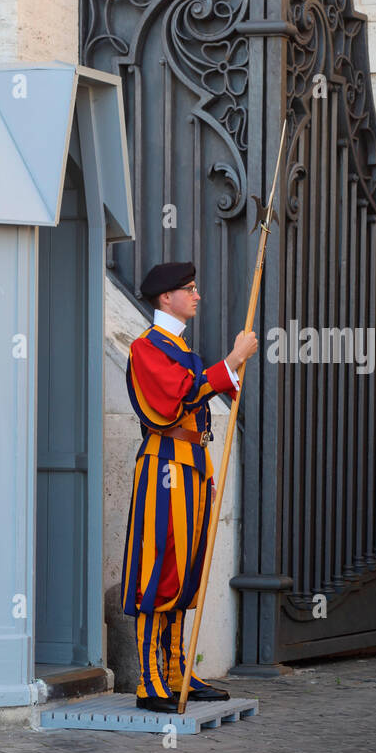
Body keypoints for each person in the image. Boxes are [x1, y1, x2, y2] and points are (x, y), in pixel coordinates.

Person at [123, 261, 258, 713]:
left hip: (191, 466)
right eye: (190, 289)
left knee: (188, 570)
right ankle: (149, 680)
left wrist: (207, 469)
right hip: (164, 466)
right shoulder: (146, 348)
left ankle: (178, 670)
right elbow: (181, 396)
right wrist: (232, 361)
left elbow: (198, 403)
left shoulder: (180, 347)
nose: (197, 295)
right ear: (166, 297)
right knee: (158, 567)